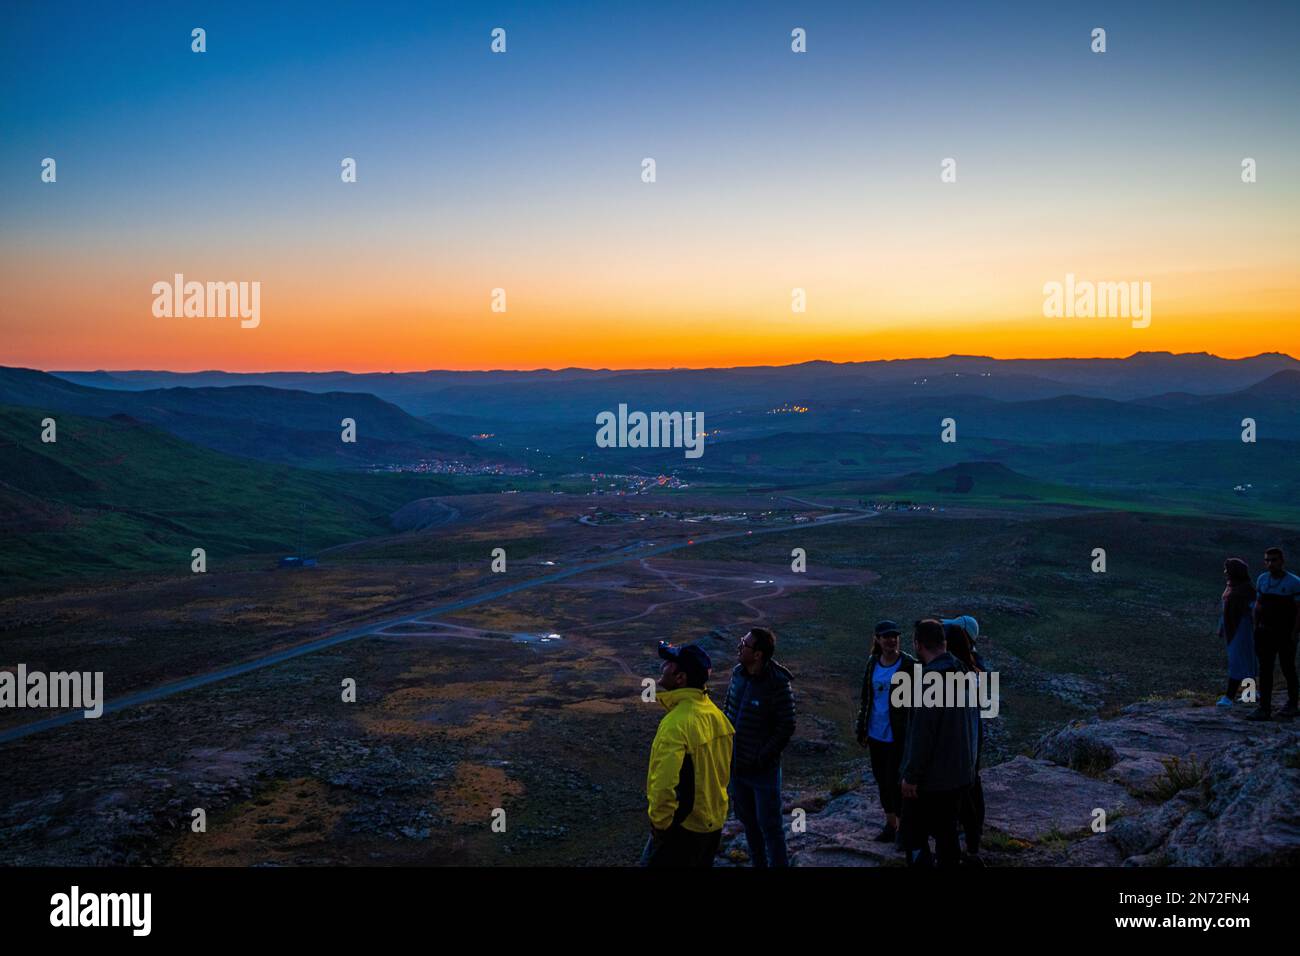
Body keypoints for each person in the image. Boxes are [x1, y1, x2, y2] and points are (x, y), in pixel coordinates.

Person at [641, 640, 735, 866]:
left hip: (682, 829)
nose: (663, 665)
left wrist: (660, 824)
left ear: (680, 678)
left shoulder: (675, 725)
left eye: (670, 663)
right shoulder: (717, 716)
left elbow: (663, 785)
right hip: (712, 823)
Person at [899, 619, 979, 868]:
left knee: (915, 835)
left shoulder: (930, 682)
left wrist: (911, 776)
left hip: (934, 779)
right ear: (944, 643)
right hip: (961, 774)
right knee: (947, 834)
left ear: (918, 645)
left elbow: (923, 735)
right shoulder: (964, 671)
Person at [721, 626, 796, 867]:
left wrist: (762, 757)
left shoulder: (777, 683)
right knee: (750, 824)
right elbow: (728, 711)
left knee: (771, 828)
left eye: (744, 644)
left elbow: (786, 726)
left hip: (762, 771)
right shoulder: (738, 674)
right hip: (737, 768)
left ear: (758, 654)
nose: (739, 646)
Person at [854, 620, 915, 845]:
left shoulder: (908, 664)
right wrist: (862, 728)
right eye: (886, 636)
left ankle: (904, 829)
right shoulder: (873, 663)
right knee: (882, 780)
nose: (891, 640)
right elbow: (866, 697)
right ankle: (891, 825)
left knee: (895, 782)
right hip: (875, 733)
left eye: (894, 636)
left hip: (898, 736)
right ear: (877, 640)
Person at [943, 615, 986, 865]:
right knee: (971, 781)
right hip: (971, 732)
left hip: (966, 733)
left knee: (968, 783)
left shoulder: (966, 667)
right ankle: (972, 835)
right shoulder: (972, 663)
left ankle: (971, 834)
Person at [1250, 547, 1300, 721]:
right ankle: (1264, 708)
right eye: (1267, 560)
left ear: (1282, 561)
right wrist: (1255, 626)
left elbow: (1299, 610)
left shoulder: (1294, 582)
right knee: (1265, 670)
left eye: (1274, 560)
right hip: (1265, 632)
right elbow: (1258, 605)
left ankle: (1293, 704)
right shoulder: (1262, 579)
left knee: (1288, 668)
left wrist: (1294, 633)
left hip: (1285, 633)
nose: (1270, 563)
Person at [1217, 558, 1256, 707]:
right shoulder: (1232, 586)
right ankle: (1250, 695)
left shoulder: (1246, 590)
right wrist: (1222, 626)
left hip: (1242, 629)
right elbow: (1225, 609)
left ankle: (1229, 697)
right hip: (1232, 628)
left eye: (1228, 570)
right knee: (1246, 662)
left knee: (1238, 662)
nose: (1225, 573)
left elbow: (1253, 610)